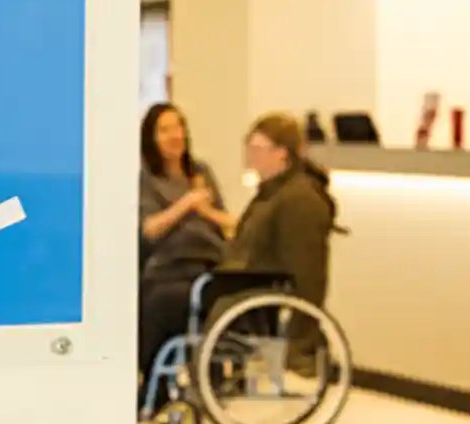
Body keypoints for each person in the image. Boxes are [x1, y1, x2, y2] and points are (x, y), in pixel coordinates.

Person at [138, 113, 338, 407]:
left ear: (280, 154)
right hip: (230, 276)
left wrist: (300, 338)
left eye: (257, 149)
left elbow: (308, 273)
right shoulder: (273, 193)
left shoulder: (297, 199)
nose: (249, 156)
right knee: (157, 294)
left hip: (242, 287)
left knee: (161, 302)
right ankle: (163, 385)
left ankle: (157, 391)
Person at [138, 104, 234, 288]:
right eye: (165, 130)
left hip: (211, 258)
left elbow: (229, 221)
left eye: (178, 127)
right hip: (170, 264)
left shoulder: (200, 171)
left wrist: (206, 211)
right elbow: (149, 229)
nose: (175, 136)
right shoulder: (147, 177)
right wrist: (186, 203)